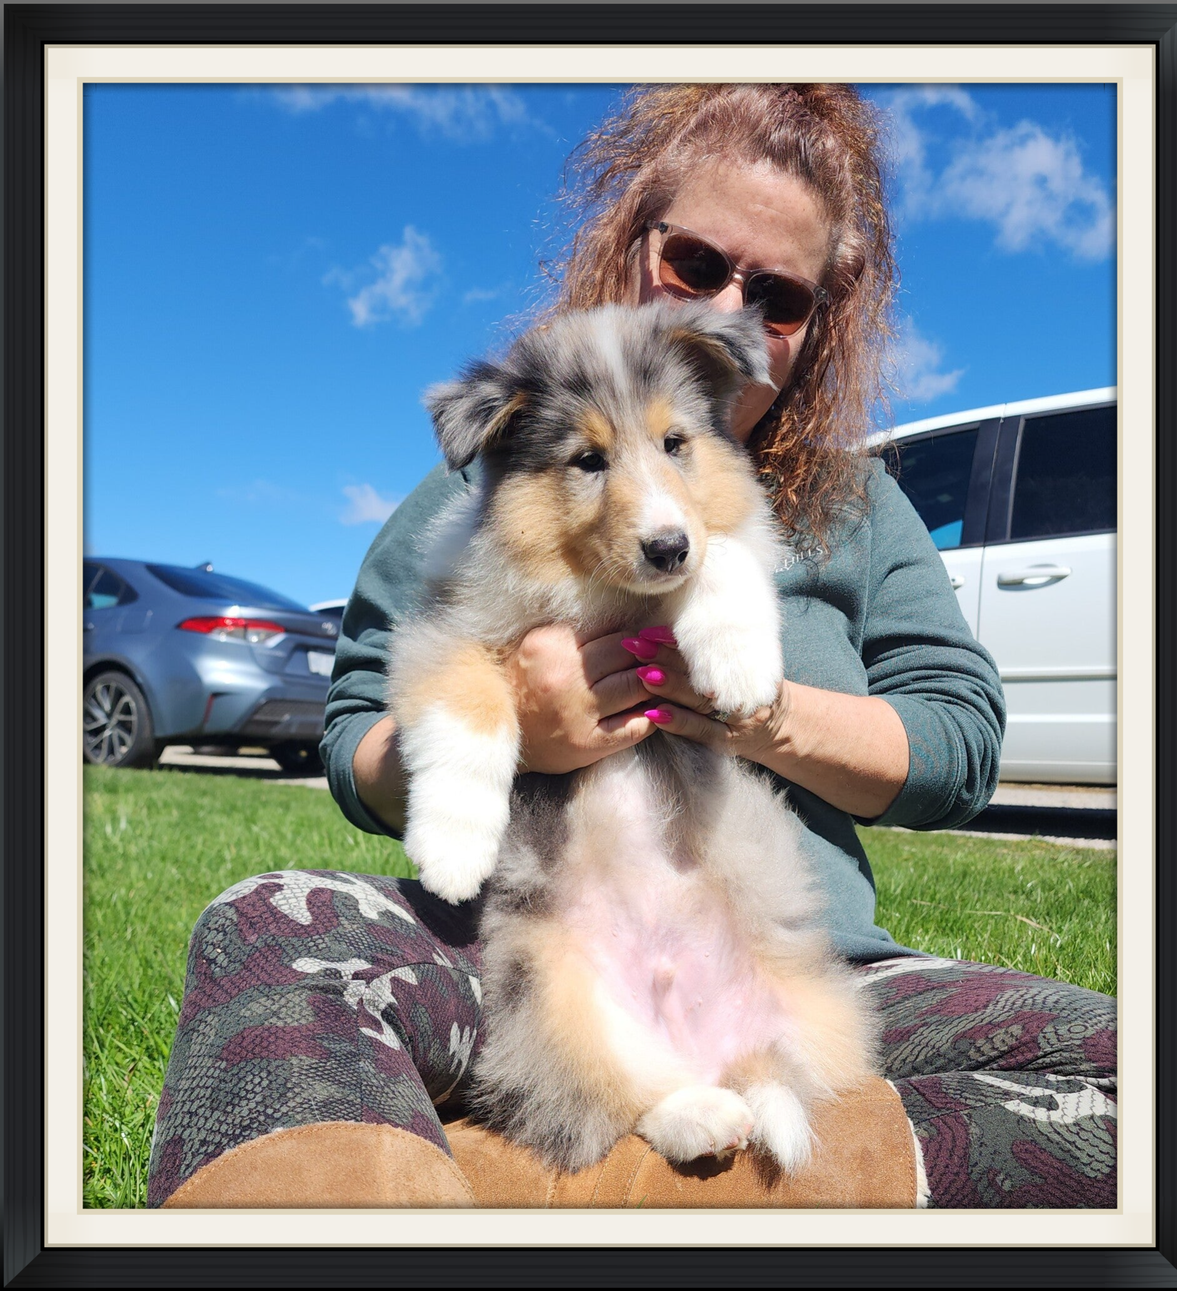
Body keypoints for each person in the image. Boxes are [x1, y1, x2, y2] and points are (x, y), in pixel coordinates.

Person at [148, 84, 1116, 1210]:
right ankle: (754, 1188)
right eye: (699, 261)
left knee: (1137, 1071)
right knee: (266, 928)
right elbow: (357, 728)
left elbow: (961, 744)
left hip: (798, 966)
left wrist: (762, 712)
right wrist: (517, 725)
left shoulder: (861, 506)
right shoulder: (499, 465)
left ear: (822, 316)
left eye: (782, 293)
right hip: (524, 936)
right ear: (635, 239)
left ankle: (537, 1181)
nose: (732, 310)